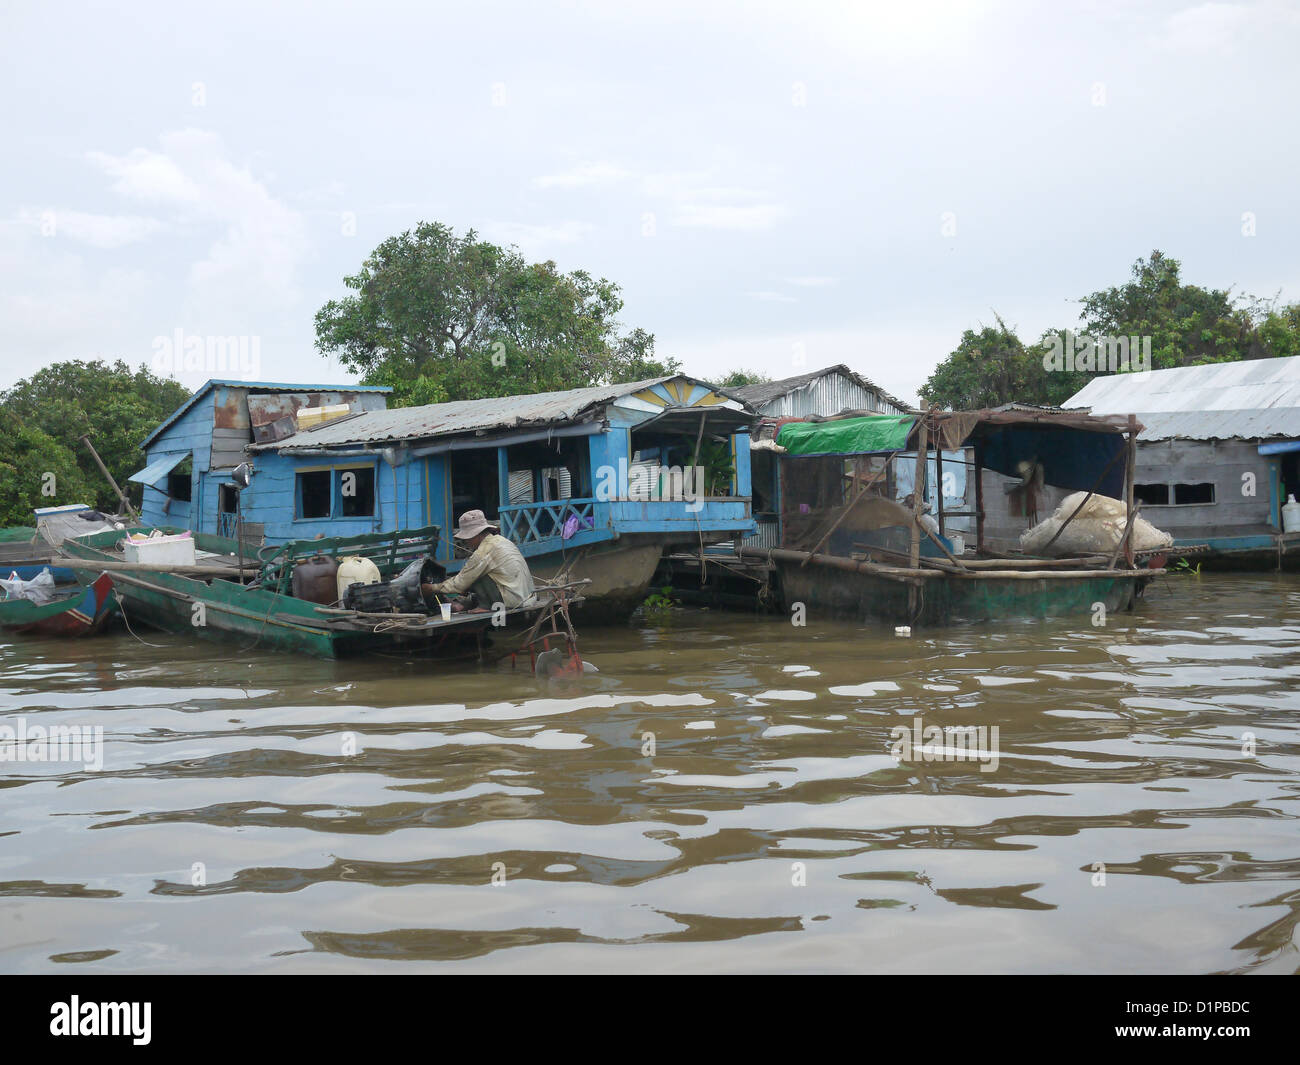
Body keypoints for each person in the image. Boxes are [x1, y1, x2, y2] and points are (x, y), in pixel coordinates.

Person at [426, 509, 536, 610]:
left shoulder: (482, 553)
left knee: (475, 575)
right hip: (527, 596)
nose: (466, 542)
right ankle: (472, 602)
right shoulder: (502, 540)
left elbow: (460, 583)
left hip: (513, 601)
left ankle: (486, 606)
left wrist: (432, 588)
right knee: (474, 577)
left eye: (467, 538)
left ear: (475, 535)